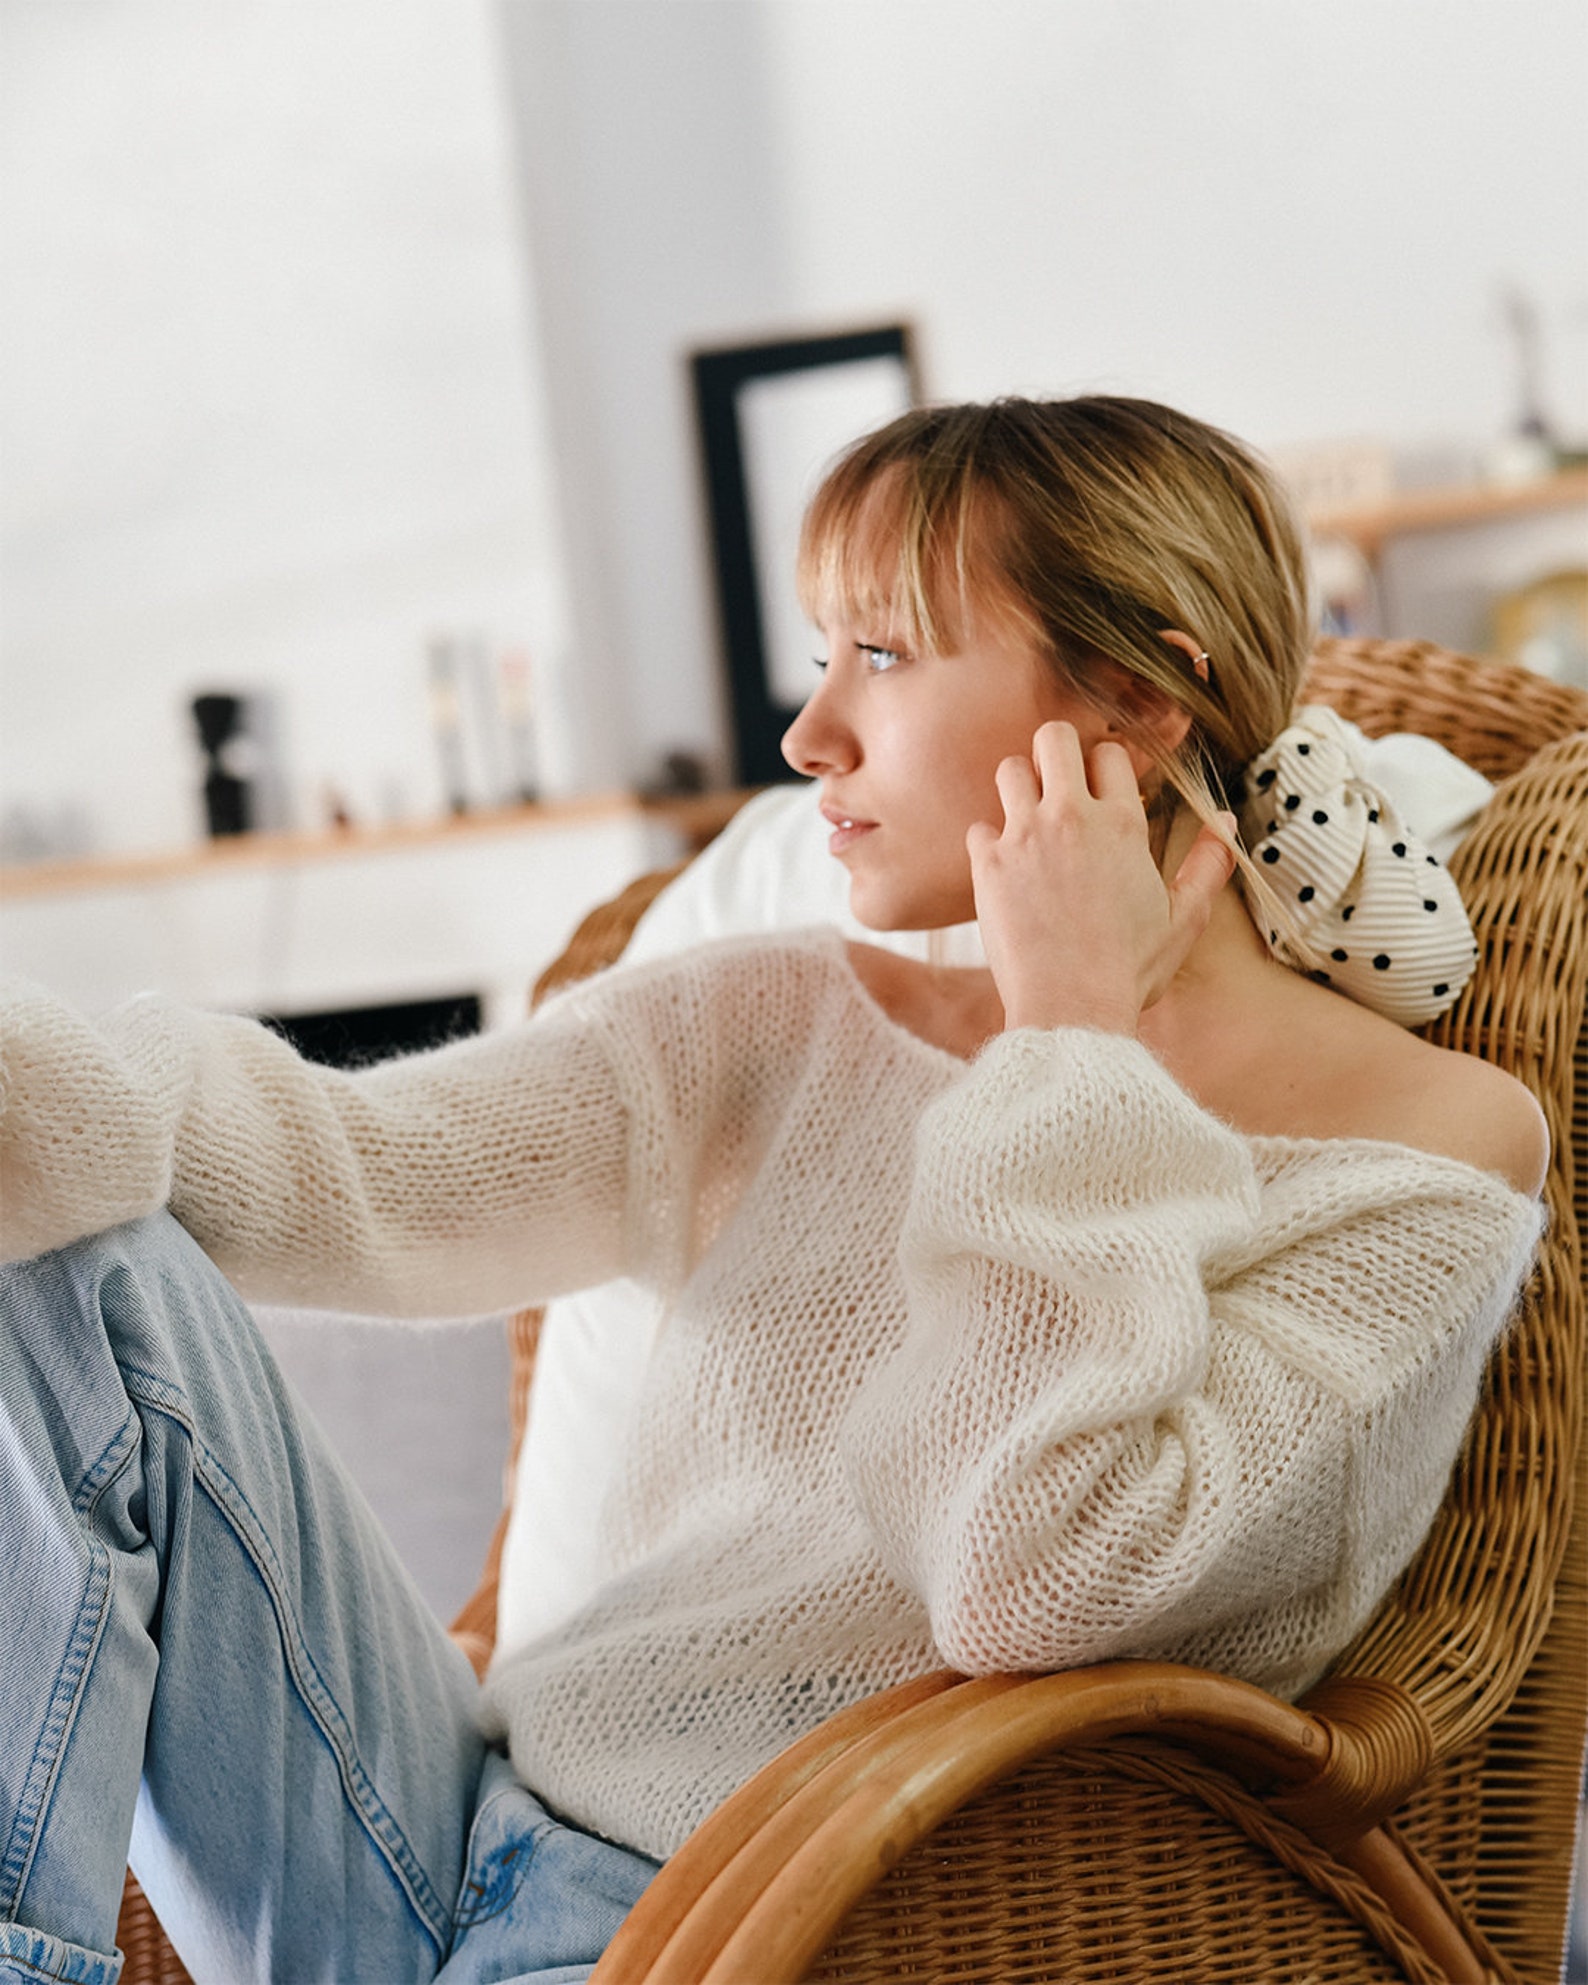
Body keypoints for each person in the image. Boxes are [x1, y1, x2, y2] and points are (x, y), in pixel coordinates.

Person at [0, 395, 1548, 1984]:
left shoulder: (1422, 1158)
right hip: (444, 1821)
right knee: (66, 1265)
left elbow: (1034, 1573)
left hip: (755, 1932)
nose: (809, 735)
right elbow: (344, 1167)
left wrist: (1070, 1045)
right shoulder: (781, 1017)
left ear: (1139, 702)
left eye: (878, 653)